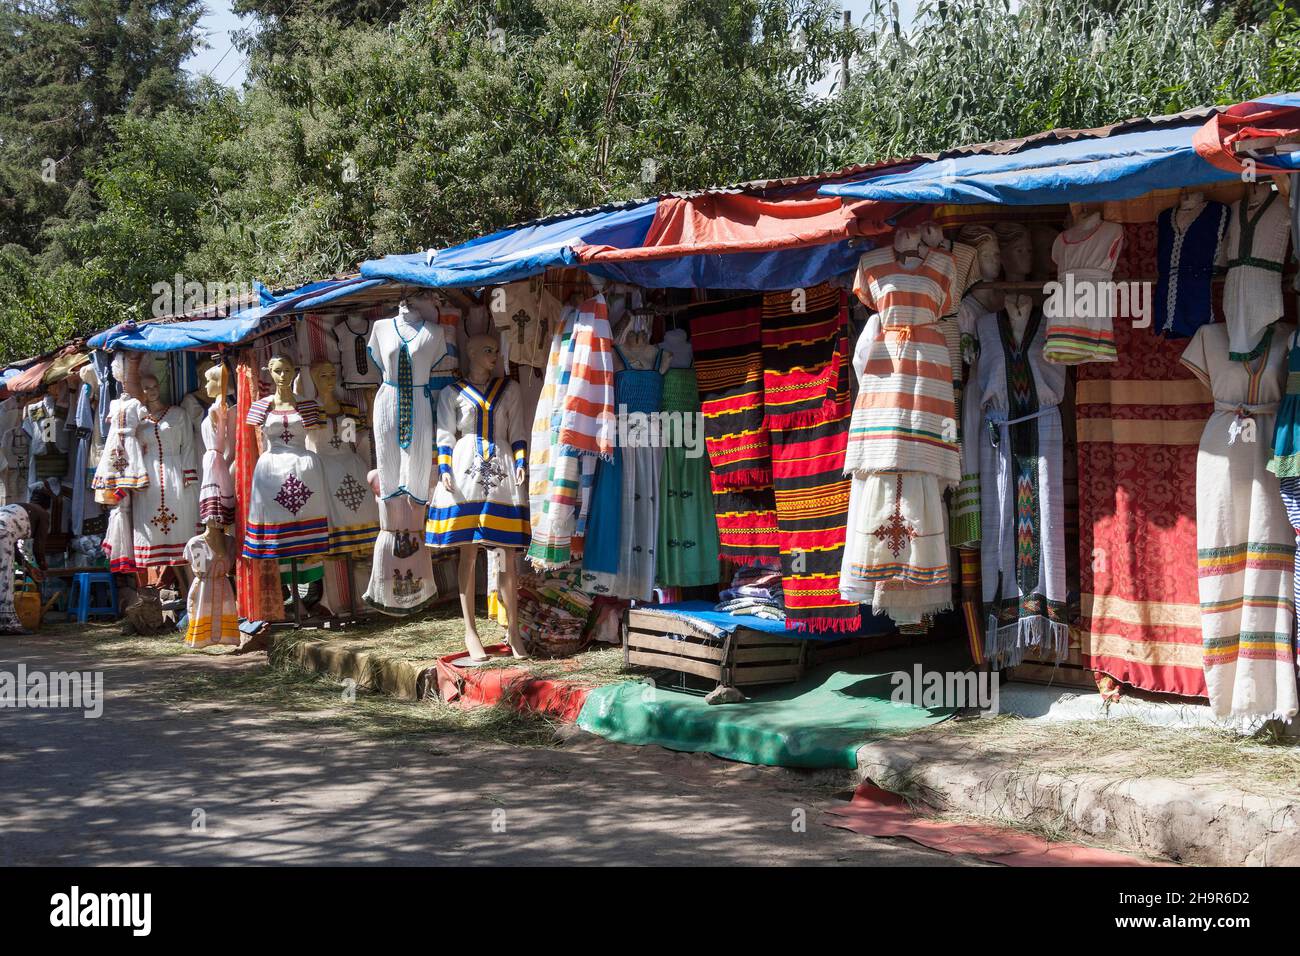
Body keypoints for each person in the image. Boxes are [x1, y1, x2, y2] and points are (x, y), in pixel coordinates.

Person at [0, 490, 51, 633]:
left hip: (4, 531)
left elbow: (14, 549)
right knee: (5, 578)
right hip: (3, 532)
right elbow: (39, 546)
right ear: (47, 505)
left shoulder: (17, 507)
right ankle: (8, 625)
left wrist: (29, 567)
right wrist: (42, 567)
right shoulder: (42, 513)